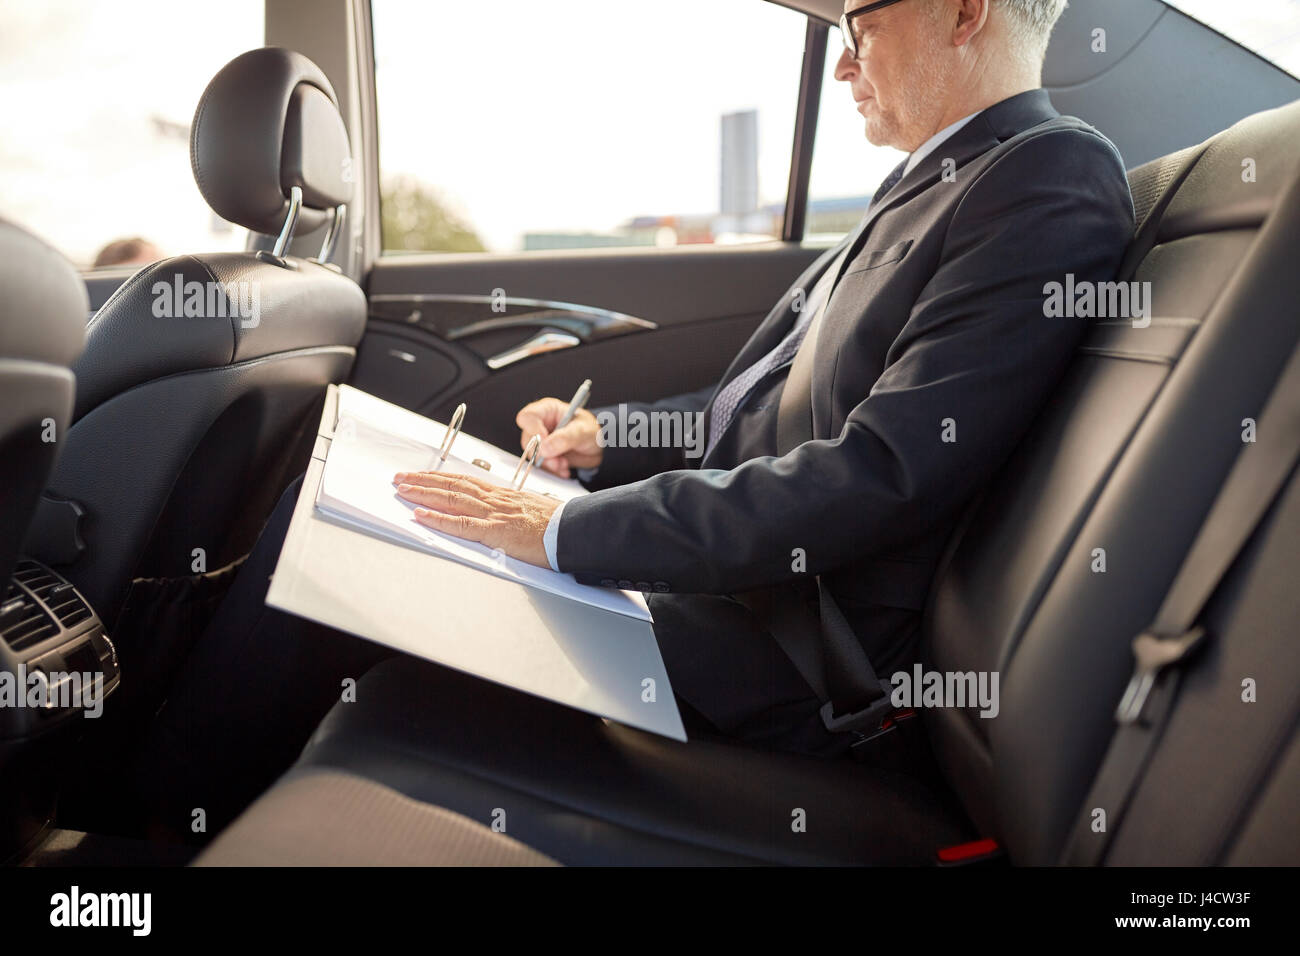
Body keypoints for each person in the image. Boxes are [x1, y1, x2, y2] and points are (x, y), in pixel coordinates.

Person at [135, 0, 1134, 835]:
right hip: (740, 604)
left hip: (795, 661)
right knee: (345, 522)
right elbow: (757, 410)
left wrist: (568, 531)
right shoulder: (929, 184)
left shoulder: (1040, 178)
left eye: (859, 24)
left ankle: (149, 838)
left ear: (962, 11)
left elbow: (880, 472)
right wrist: (608, 440)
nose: (843, 65)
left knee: (342, 559)